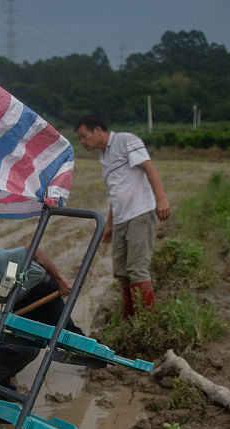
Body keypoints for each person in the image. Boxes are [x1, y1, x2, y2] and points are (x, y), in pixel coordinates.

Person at [74, 113, 171, 318]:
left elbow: (148, 167)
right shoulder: (104, 157)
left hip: (139, 213)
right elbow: (115, 193)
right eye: (80, 139)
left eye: (84, 136)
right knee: (122, 273)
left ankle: (146, 322)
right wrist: (109, 224)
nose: (82, 142)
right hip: (120, 219)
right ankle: (129, 319)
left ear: (97, 130)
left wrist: (161, 198)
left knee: (137, 269)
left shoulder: (126, 140)